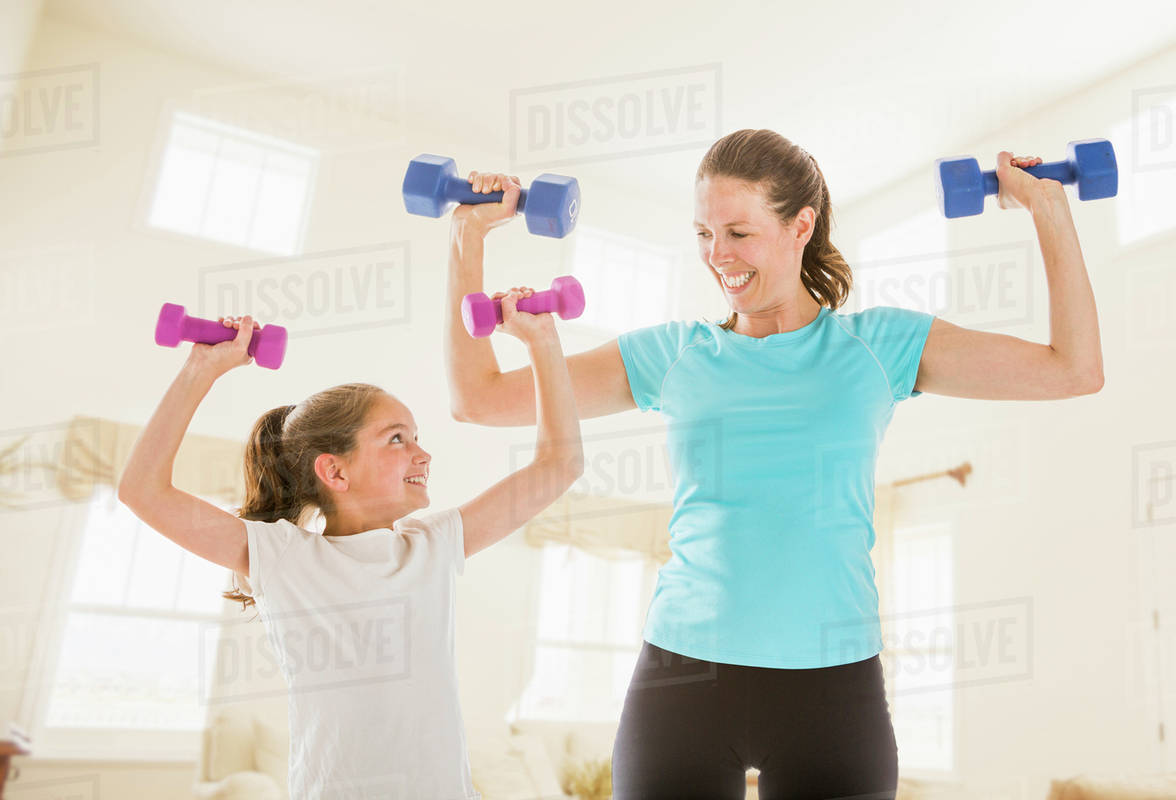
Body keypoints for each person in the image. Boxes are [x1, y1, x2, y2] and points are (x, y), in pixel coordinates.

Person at [444, 128, 1102, 799]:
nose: (716, 255)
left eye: (738, 232)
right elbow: (480, 400)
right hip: (683, 678)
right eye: (703, 233)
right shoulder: (673, 354)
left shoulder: (881, 346)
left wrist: (1049, 209)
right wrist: (469, 238)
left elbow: (1072, 371)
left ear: (801, 226)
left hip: (833, 687)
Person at [117, 295, 584, 799]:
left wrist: (544, 342)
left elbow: (558, 467)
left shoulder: (433, 544)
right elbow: (143, 489)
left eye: (416, 436)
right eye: (397, 439)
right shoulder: (282, 556)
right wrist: (202, 368)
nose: (423, 453)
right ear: (335, 470)